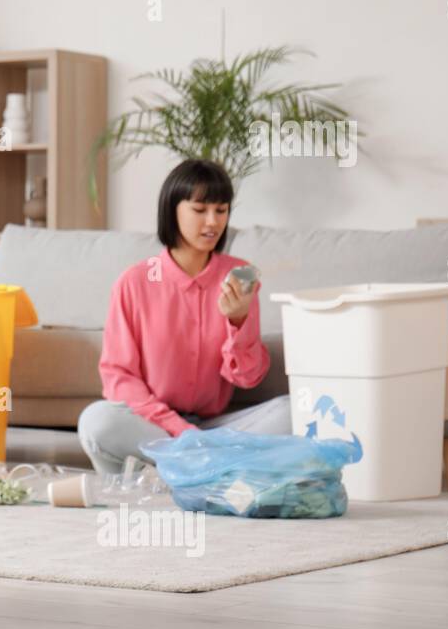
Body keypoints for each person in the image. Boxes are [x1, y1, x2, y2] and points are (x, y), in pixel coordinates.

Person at [77, 159, 291, 477]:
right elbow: (119, 379)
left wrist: (239, 322)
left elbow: (247, 377)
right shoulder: (134, 282)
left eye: (221, 210)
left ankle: (180, 471)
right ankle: (213, 468)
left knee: (292, 412)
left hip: (213, 428)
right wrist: (180, 431)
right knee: (97, 421)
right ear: (173, 209)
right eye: (200, 209)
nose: (213, 221)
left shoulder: (238, 277)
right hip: (154, 427)